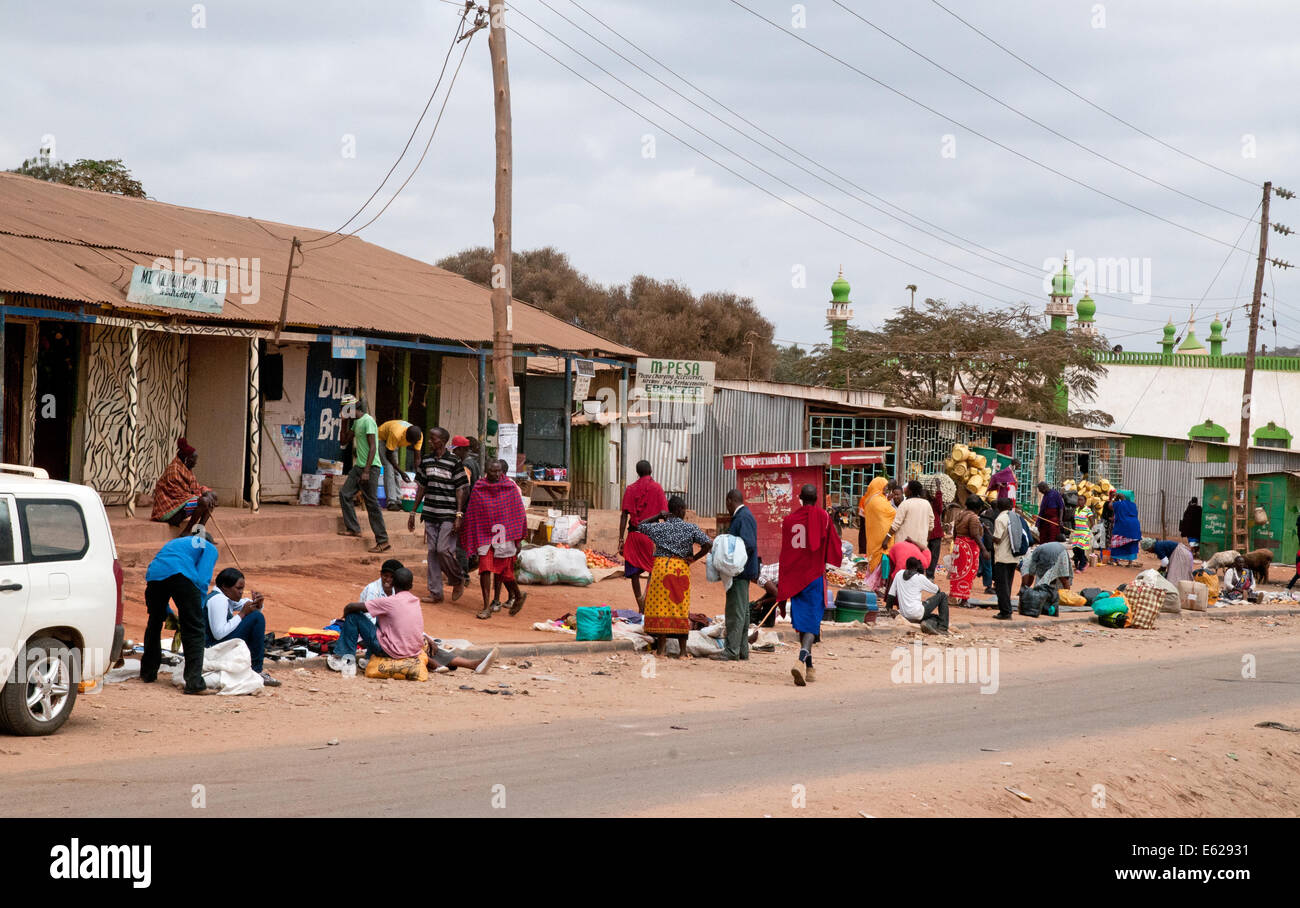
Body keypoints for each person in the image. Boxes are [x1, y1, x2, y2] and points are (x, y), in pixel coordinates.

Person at [327, 567, 496, 674]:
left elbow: (351, 606)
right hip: (413, 648)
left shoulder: (389, 601)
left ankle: (343, 658)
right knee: (380, 619)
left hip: (392, 650)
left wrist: (344, 614)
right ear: (411, 585)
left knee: (354, 616)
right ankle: (466, 664)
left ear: (393, 583)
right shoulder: (414, 601)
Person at [777, 484, 842, 686]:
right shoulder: (823, 518)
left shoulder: (789, 521)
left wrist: (784, 583)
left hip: (796, 579)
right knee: (812, 624)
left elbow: (785, 554)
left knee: (803, 623)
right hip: (814, 577)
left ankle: (810, 668)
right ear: (817, 498)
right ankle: (801, 658)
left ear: (800, 498)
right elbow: (834, 545)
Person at [141, 530, 220, 694]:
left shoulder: (176, 543)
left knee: (154, 623)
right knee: (195, 630)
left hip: (154, 576)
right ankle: (194, 683)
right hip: (180, 575)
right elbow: (203, 579)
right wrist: (197, 608)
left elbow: (162, 570)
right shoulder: (209, 547)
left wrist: (168, 613)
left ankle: (148, 673)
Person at [632, 496, 712, 658]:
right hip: (680, 569)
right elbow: (708, 544)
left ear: (669, 511)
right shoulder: (690, 528)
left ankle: (661, 651)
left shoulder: (660, 527)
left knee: (660, 608)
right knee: (680, 609)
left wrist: (658, 516)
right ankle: (682, 652)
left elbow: (639, 526)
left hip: (661, 569)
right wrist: (694, 558)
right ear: (681, 510)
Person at [461, 458, 528, 620]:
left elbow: (518, 514)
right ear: (486, 471)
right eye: (493, 471)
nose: (497, 474)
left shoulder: (510, 487)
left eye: (499, 471)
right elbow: (473, 513)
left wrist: (517, 539)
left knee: (505, 573)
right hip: (484, 534)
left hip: (504, 535)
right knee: (485, 568)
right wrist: (472, 535)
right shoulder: (479, 487)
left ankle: (518, 595)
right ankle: (486, 607)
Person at [409, 427, 469, 603]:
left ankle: (457, 579)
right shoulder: (426, 460)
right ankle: (436, 592)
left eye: (432, 439)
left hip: (448, 513)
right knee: (432, 552)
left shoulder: (454, 462)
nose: (429, 441)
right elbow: (422, 486)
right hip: (430, 512)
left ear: (441, 442)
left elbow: (461, 489)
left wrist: (458, 514)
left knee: (443, 549)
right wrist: (413, 511)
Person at [204, 567, 280, 687]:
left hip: (215, 643)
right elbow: (218, 634)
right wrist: (242, 614)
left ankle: (253, 668)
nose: (241, 592)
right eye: (238, 588)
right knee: (256, 618)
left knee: (255, 615)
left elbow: (244, 603)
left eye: (242, 588)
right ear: (224, 586)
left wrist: (258, 604)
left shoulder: (224, 597)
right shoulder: (219, 600)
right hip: (211, 647)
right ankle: (256, 670)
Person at [337, 395, 391, 554]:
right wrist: (343, 423)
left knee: (371, 503)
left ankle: (383, 540)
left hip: (370, 467)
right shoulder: (355, 423)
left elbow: (373, 447)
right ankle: (353, 528)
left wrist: (367, 471)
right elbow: (343, 442)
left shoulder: (368, 421)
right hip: (359, 467)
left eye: (345, 411)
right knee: (345, 494)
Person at [618, 460, 669, 611]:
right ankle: (647, 599)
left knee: (634, 571)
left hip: (633, 535)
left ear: (637, 472)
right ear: (651, 470)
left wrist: (621, 539)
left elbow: (623, 516)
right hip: (650, 537)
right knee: (653, 568)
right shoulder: (657, 488)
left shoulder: (630, 489)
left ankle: (640, 603)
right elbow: (665, 515)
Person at [718, 488, 759, 661]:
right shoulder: (745, 516)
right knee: (742, 611)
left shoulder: (742, 517)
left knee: (736, 611)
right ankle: (741, 650)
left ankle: (732, 650)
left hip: (740, 572)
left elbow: (747, 545)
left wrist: (734, 563)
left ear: (729, 500)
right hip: (744, 571)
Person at [150, 437, 217, 536]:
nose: (196, 462)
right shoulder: (174, 470)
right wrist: (202, 497)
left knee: (213, 496)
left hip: (181, 506)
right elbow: (179, 495)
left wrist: (207, 492)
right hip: (169, 511)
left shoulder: (186, 469)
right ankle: (186, 532)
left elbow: (195, 488)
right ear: (186, 459)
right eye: (194, 459)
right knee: (204, 501)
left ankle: (198, 531)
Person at [887, 556, 950, 635]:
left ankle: (925, 622)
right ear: (917, 567)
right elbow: (937, 590)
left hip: (904, 614)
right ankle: (943, 628)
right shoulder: (920, 578)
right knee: (942, 596)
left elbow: (891, 594)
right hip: (917, 613)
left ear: (906, 565)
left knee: (928, 611)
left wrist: (888, 611)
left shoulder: (899, 574)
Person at [949, 494, 987, 608]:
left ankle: (955, 596)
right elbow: (975, 534)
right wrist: (984, 549)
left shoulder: (961, 514)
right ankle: (964, 600)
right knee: (968, 573)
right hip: (969, 547)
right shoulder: (973, 517)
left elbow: (955, 532)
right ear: (978, 508)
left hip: (959, 545)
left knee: (958, 573)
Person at [377, 420, 423, 511]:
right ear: (405, 435)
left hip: (393, 442)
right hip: (381, 438)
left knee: (396, 472)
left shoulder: (419, 436)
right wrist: (402, 472)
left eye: (414, 443)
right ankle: (391, 501)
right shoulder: (396, 434)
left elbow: (417, 458)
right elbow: (389, 455)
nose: (412, 445)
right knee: (389, 468)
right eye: (410, 442)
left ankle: (398, 500)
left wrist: (419, 474)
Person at [857, 476, 896, 570]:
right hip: (882, 538)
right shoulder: (878, 501)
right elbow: (893, 513)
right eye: (884, 486)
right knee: (882, 566)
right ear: (878, 486)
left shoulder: (870, 499)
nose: (886, 488)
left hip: (874, 536)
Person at [990, 497, 1019, 620]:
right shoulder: (1015, 517)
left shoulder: (1000, 518)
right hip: (1013, 556)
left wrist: (987, 533)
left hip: (1002, 556)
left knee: (1001, 586)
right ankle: (1006, 609)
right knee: (1008, 584)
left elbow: (997, 538)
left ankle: (1005, 612)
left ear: (998, 507)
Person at [889, 480, 934, 551]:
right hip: (920, 545)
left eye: (906, 488)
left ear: (910, 491)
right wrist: (925, 541)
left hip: (904, 545)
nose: (905, 490)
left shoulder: (905, 504)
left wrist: (886, 538)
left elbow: (895, 525)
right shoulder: (927, 504)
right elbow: (931, 526)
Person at [1109, 491, 1142, 565]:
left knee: (1116, 542)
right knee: (1131, 543)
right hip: (1135, 527)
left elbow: (1110, 506)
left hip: (1123, 526)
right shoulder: (1133, 505)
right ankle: (1130, 563)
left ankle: (1114, 560)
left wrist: (1113, 498)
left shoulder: (1119, 504)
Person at [924, 480, 945, 580]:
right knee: (924, 554)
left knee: (934, 555)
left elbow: (939, 501)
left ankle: (930, 575)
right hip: (924, 534)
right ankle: (924, 574)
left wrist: (938, 487)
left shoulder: (935, 505)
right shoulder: (921, 506)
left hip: (935, 534)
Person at [1068, 496, 1094, 571]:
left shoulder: (1087, 510)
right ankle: (1083, 561)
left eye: (1081, 500)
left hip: (1084, 532)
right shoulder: (1076, 510)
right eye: (1078, 500)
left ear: (1085, 501)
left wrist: (1088, 530)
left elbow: (1092, 522)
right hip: (1077, 532)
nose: (1079, 501)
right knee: (1075, 549)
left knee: (1080, 548)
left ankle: (1082, 565)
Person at [977, 498, 997, 595]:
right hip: (988, 547)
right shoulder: (990, 518)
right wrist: (988, 549)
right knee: (988, 567)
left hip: (986, 546)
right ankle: (988, 586)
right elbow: (989, 536)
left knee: (987, 567)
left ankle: (989, 584)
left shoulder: (985, 515)